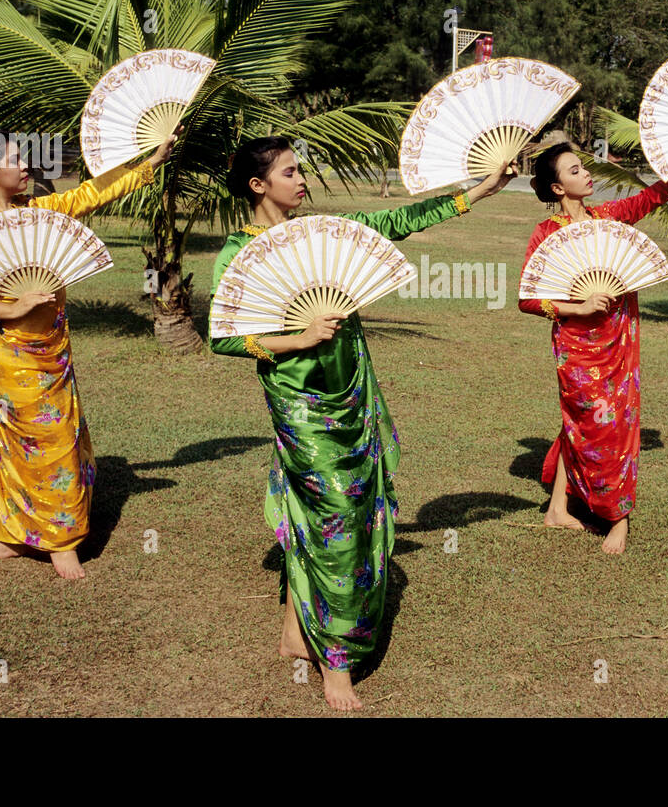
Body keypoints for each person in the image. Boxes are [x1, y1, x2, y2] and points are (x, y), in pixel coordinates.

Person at [210, 136, 512, 711]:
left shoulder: (321, 239)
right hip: (301, 406)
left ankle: (298, 633)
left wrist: (481, 189)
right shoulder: (235, 256)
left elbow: (400, 218)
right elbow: (223, 337)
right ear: (258, 186)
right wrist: (298, 338)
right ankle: (337, 662)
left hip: (354, 398)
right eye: (290, 172)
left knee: (340, 512)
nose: (303, 180)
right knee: (339, 520)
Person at [0, 132, 177, 579]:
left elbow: (91, 193)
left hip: (52, 346)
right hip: (5, 352)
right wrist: (9, 307)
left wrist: (150, 163)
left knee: (50, 432)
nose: (27, 166)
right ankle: (60, 542)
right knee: (34, 439)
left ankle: (6, 538)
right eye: (15, 160)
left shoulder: (37, 213)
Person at [518, 122, 668, 554]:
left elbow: (659, 193)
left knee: (620, 423)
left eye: (583, 167)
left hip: (618, 339)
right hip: (575, 343)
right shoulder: (547, 234)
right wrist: (577, 308)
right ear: (558, 188)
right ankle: (560, 508)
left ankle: (617, 517)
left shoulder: (609, 218)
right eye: (575, 171)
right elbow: (527, 299)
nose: (587, 174)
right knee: (582, 423)